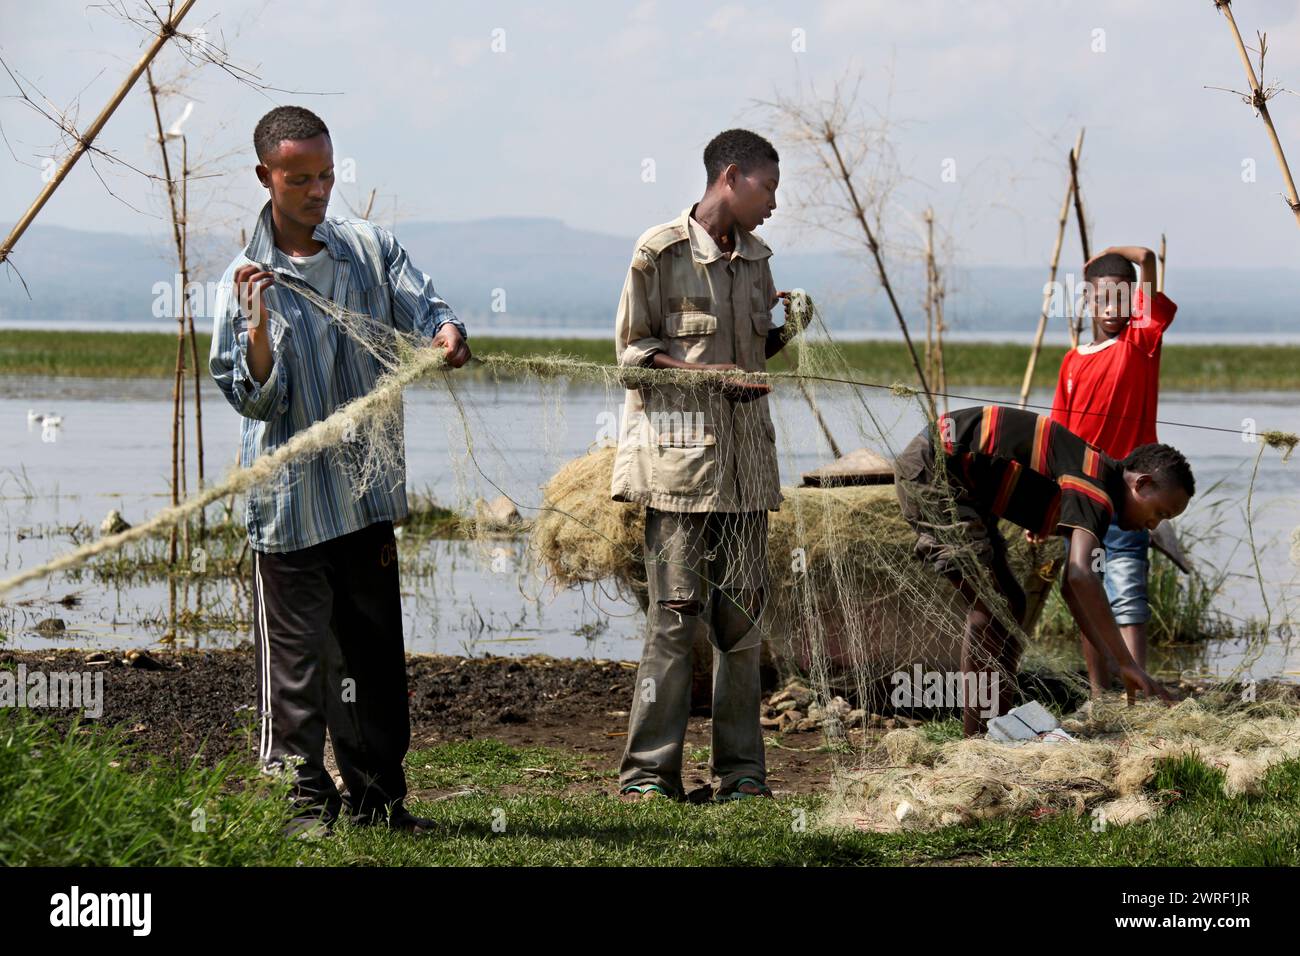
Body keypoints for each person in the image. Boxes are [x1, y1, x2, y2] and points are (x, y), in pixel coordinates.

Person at [209, 106, 470, 837]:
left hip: (364, 495)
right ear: (266, 177)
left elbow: (428, 307)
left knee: (373, 658)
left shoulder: (369, 250)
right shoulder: (245, 279)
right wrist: (258, 333)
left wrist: (445, 333)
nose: (317, 189)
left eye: (326, 174)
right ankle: (301, 801)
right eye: (300, 179)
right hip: (290, 504)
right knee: (296, 671)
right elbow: (257, 396)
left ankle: (379, 801)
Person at [610, 128, 805, 801]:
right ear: (730, 176)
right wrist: (708, 377)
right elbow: (633, 359)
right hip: (680, 473)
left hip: (747, 471)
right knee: (674, 617)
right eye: (769, 187)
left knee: (742, 627)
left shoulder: (758, 260)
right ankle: (647, 778)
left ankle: (743, 777)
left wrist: (787, 332)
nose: (774, 203)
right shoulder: (658, 253)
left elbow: (753, 357)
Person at [894, 404, 1190, 736]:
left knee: (1012, 603)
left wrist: (1115, 661)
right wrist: (1126, 662)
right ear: (1143, 484)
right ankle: (975, 740)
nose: (1153, 525)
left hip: (962, 480)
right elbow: (1080, 575)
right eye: (1159, 513)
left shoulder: (1097, 482)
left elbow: (1072, 590)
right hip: (937, 469)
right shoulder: (1097, 490)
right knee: (993, 606)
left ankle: (998, 725)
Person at [1051, 246, 1176, 695]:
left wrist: (1117, 253)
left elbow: (1145, 260)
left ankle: (1137, 694)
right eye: (1102, 299)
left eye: (1122, 300)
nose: (1111, 309)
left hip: (1127, 499)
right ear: (1086, 299)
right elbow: (1057, 442)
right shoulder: (1071, 362)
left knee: (1127, 589)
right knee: (1088, 592)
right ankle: (1101, 695)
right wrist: (1050, 501)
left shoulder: (1139, 344)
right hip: (1082, 499)